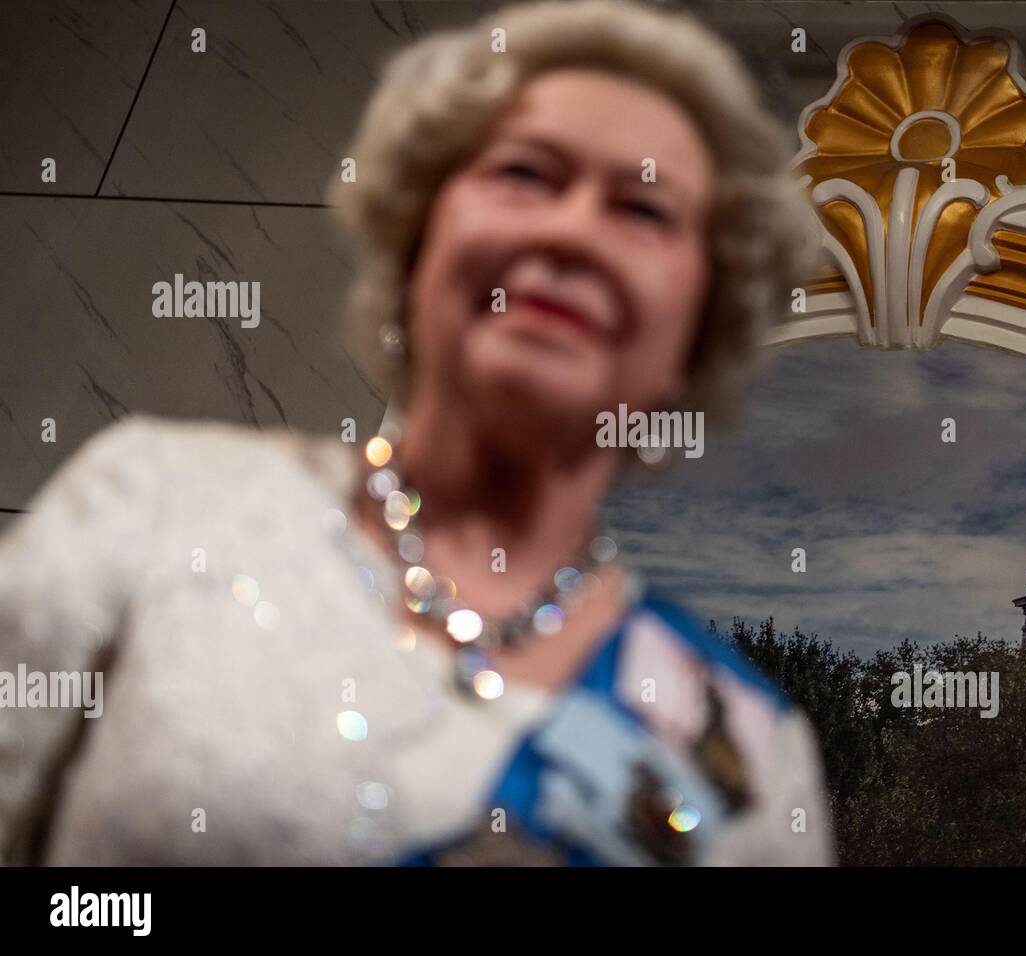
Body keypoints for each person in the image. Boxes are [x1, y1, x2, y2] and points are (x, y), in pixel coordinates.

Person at [0, 0, 832, 865]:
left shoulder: (753, 759)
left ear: (696, 335)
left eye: (645, 210)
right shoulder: (158, 504)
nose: (573, 229)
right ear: (416, 245)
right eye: (525, 173)